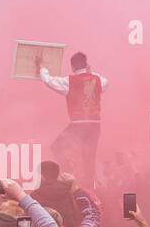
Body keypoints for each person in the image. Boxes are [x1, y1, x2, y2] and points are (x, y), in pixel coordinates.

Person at [39, 51, 107, 187]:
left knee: (57, 147)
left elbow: (48, 81)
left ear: (72, 67)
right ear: (86, 64)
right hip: (95, 124)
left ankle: (69, 174)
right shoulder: (98, 79)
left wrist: (41, 67)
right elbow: (104, 83)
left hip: (79, 124)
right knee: (88, 156)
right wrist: (91, 72)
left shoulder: (69, 81)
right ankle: (89, 187)